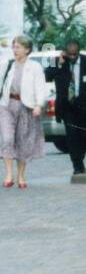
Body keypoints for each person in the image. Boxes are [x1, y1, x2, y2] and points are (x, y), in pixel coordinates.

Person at [0, 34, 47, 189]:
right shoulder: (7, 64)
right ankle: (8, 174)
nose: (15, 50)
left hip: (26, 107)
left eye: (18, 47)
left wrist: (38, 105)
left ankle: (21, 176)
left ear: (27, 50)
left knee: (22, 141)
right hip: (7, 105)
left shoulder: (35, 67)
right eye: (14, 46)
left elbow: (40, 87)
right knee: (7, 139)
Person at [51, 39, 86, 175]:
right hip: (67, 106)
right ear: (65, 53)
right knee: (72, 137)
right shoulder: (56, 61)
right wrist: (59, 64)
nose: (72, 58)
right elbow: (47, 75)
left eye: (75, 55)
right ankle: (77, 166)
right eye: (70, 55)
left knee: (84, 136)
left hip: (85, 105)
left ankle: (80, 159)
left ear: (79, 52)